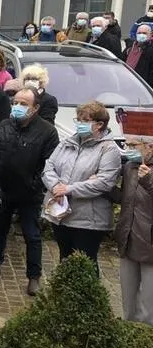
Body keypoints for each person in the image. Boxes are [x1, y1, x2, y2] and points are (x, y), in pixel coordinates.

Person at [0, 86, 59, 295]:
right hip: (4, 190)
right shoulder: (4, 126)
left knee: (32, 235)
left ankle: (34, 277)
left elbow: (49, 165)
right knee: (0, 229)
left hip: (29, 193)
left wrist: (34, 185)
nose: (17, 107)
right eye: (15, 103)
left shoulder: (47, 131)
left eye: (23, 104)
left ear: (35, 108)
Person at [41, 100, 121, 267]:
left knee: (85, 263)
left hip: (88, 219)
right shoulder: (68, 142)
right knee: (65, 259)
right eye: (78, 119)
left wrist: (69, 189)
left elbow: (104, 182)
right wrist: (55, 186)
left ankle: (87, 294)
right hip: (61, 214)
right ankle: (63, 294)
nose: (80, 124)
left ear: (99, 124)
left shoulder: (108, 149)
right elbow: (49, 166)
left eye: (85, 120)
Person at [113, 138, 153, 325]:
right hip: (129, 239)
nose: (129, 150)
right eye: (127, 145)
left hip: (149, 243)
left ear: (149, 146)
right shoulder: (130, 167)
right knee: (128, 304)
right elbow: (126, 199)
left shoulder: (146, 172)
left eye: (133, 145)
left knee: (148, 308)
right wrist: (104, 188)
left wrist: (148, 180)